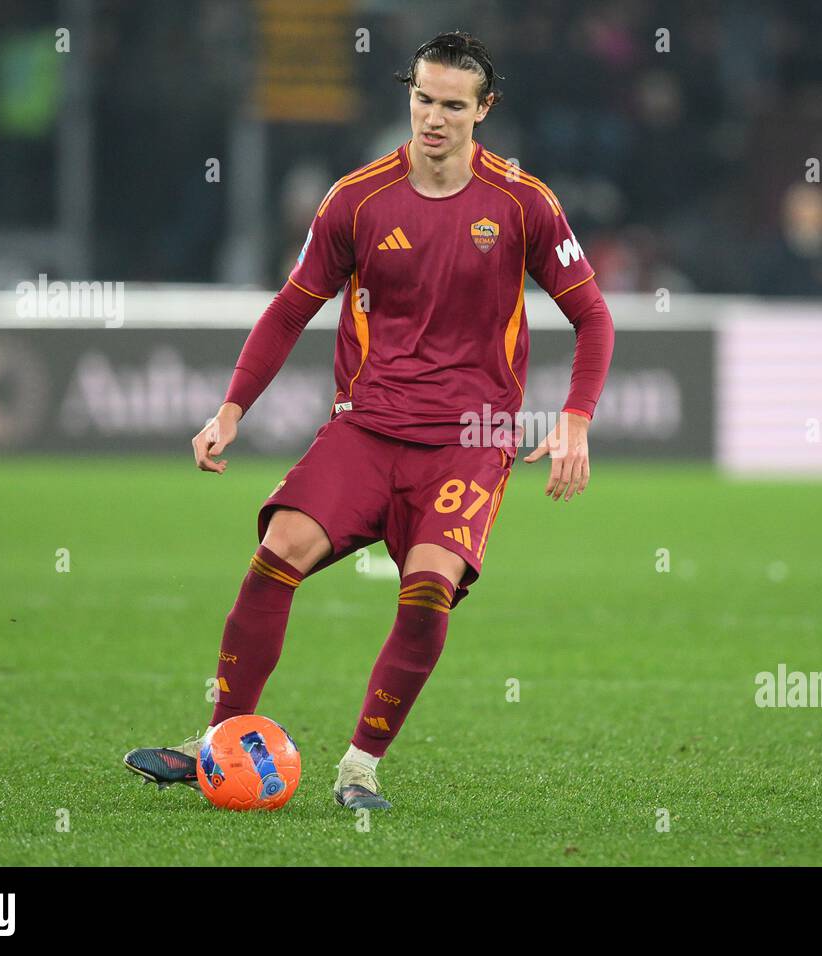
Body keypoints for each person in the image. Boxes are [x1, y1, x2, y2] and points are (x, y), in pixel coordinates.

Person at [123, 31, 615, 810]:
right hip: (365, 428)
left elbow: (593, 316)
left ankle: (359, 766)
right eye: (423, 98)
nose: (434, 118)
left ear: (484, 110)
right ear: (409, 95)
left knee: (426, 591)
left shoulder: (525, 203)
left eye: (454, 105)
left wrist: (577, 418)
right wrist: (231, 409)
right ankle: (217, 740)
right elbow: (291, 309)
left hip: (468, 443)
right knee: (275, 552)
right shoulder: (356, 198)